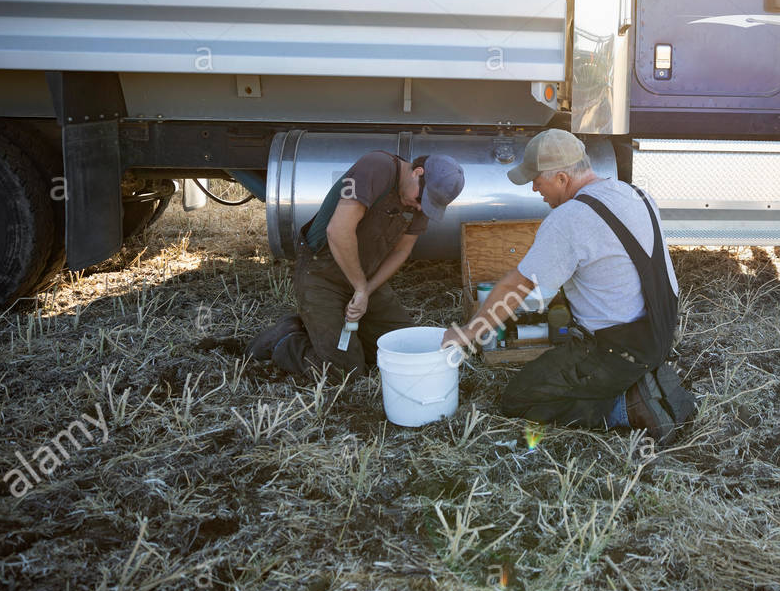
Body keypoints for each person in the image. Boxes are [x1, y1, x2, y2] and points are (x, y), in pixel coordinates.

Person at [442, 130, 696, 440]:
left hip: (615, 350)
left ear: (562, 179)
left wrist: (468, 333)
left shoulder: (570, 218)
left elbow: (518, 287)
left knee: (520, 397)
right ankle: (646, 378)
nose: (534, 187)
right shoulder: (636, 195)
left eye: (537, 179)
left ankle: (627, 406)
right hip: (659, 335)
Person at [247, 150, 465, 377]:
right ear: (417, 173)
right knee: (343, 371)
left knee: (406, 349)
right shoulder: (376, 167)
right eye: (422, 200)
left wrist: (367, 291)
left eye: (429, 206)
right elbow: (338, 231)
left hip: (364, 277)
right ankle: (285, 338)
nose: (421, 208)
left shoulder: (417, 197)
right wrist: (360, 288)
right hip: (322, 272)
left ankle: (330, 332)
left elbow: (402, 250)